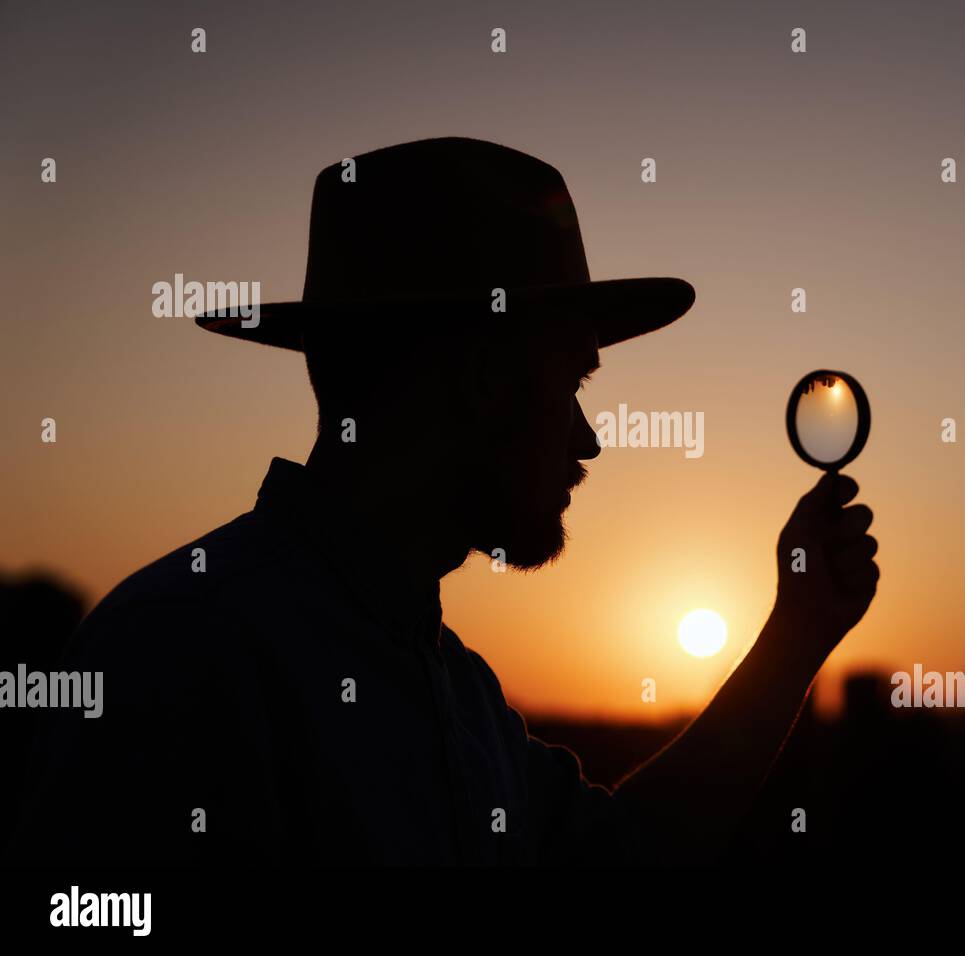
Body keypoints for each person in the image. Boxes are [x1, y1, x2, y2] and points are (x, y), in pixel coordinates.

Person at [7, 137, 879, 866]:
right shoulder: (179, 655)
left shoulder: (460, 696)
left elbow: (616, 863)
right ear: (482, 379)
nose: (587, 439)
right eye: (571, 383)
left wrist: (796, 634)